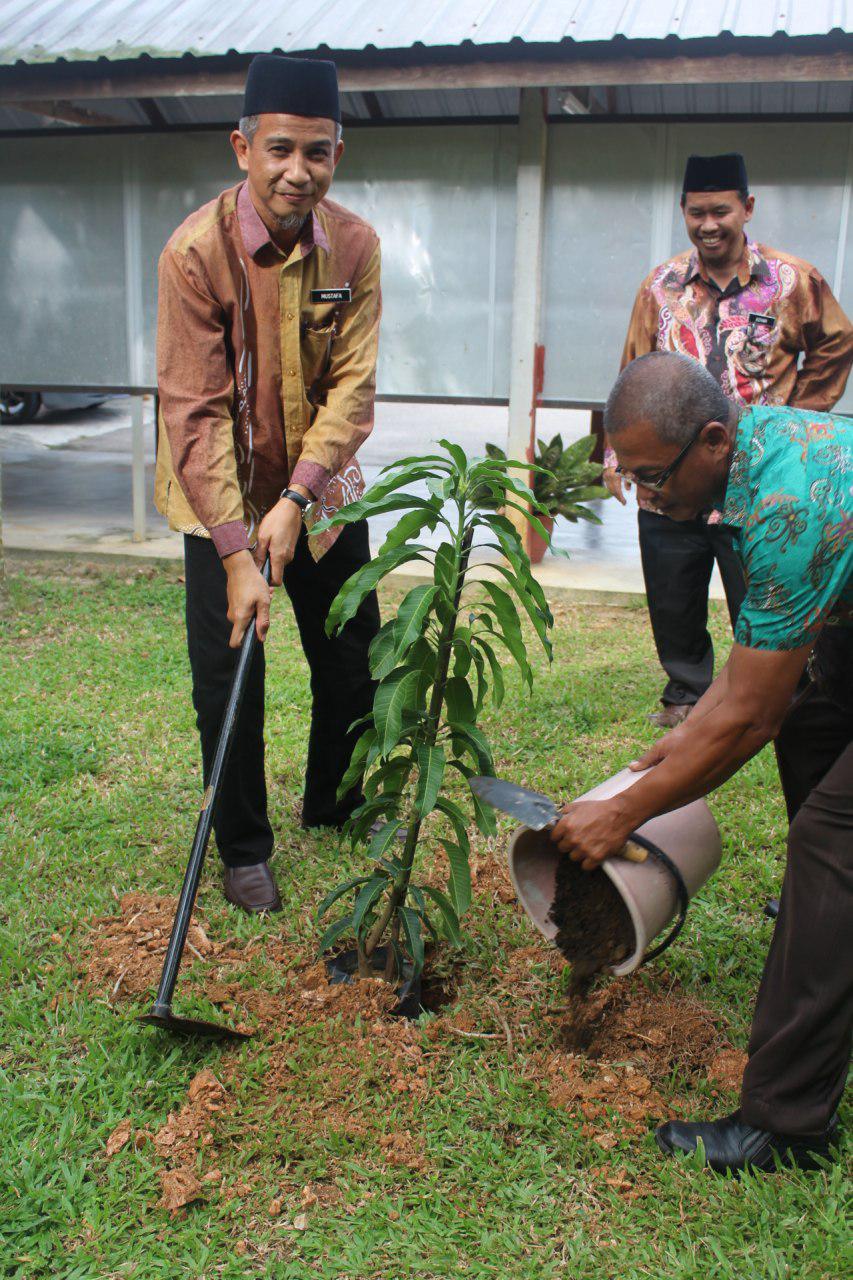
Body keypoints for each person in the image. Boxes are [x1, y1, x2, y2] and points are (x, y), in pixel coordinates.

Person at [551, 351, 852, 1174]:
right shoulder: (762, 456)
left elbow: (747, 719)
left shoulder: (790, 508)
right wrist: (675, 749)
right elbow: (752, 677)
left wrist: (624, 811)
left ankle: (787, 1126)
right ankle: (830, 943)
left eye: (652, 477)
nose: (644, 497)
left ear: (713, 440)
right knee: (815, 720)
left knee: (833, 841)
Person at [155, 54, 381, 913]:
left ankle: (335, 797)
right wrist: (237, 550)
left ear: (337, 155)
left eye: (317, 152)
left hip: (319, 493)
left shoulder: (355, 246)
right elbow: (194, 409)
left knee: (351, 658)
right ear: (242, 147)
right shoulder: (193, 253)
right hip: (216, 496)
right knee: (230, 676)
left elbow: (353, 386)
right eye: (280, 150)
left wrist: (296, 500)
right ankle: (245, 848)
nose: (299, 172)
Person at [604, 153, 853, 729]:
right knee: (673, 590)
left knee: (760, 586)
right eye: (697, 213)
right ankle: (687, 689)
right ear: (683, 213)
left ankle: (775, 682)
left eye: (720, 211)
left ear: (747, 208)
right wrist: (619, 457)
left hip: (760, 479)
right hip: (672, 472)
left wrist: (799, 419)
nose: (709, 224)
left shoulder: (794, 281)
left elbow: (838, 342)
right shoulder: (660, 286)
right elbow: (632, 370)